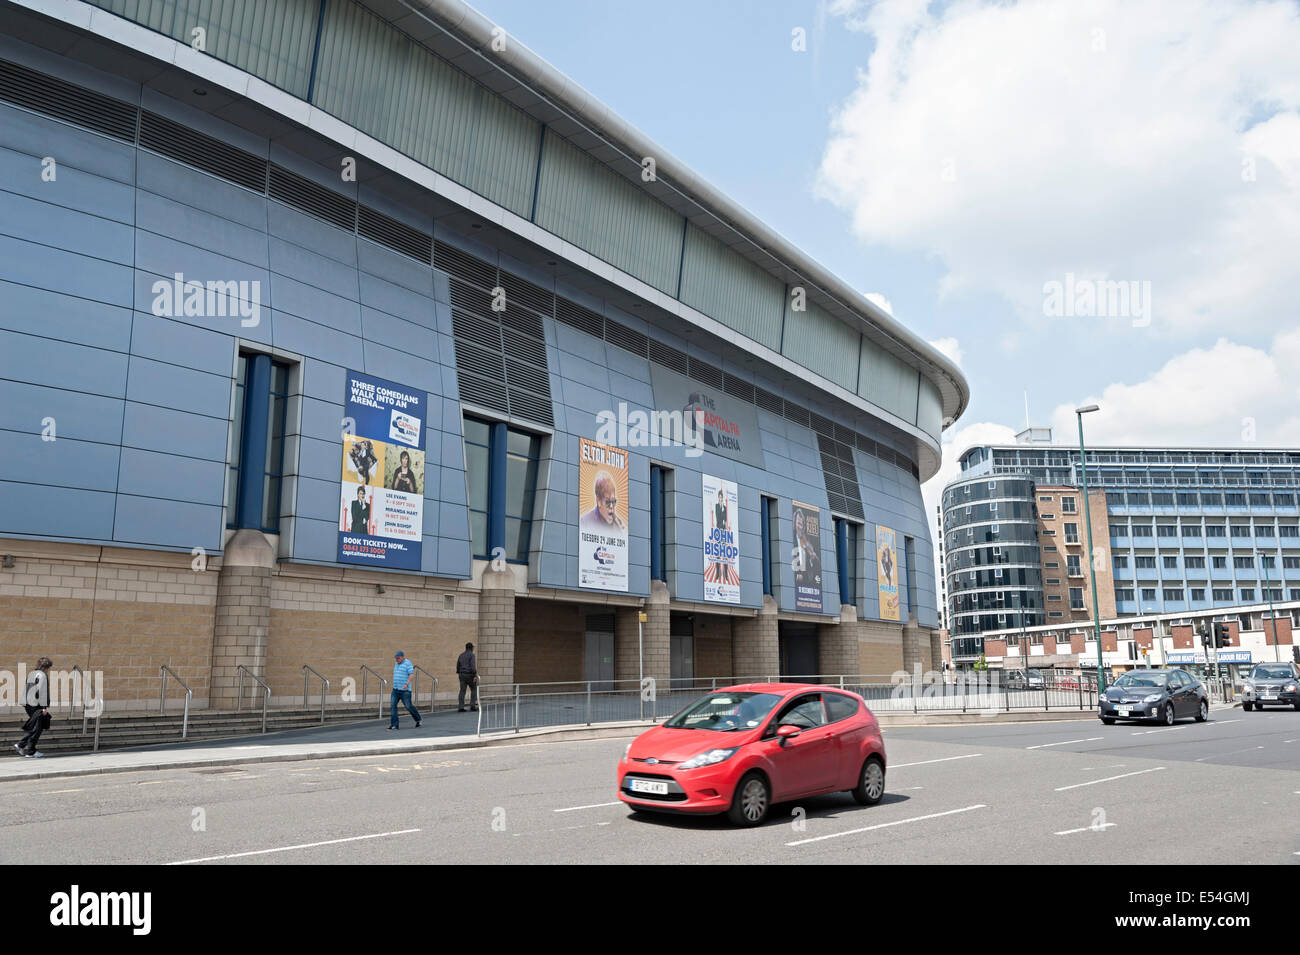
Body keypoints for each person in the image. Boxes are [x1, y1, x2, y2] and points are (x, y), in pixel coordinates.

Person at [15, 656, 52, 758]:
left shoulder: (32, 674)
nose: (49, 670)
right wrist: (44, 707)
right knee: (37, 728)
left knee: (37, 727)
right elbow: (42, 691)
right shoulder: (43, 675)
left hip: (28, 704)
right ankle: (25, 747)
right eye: (49, 668)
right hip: (37, 705)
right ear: (46, 667)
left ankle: (28, 749)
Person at [388, 651, 421, 730]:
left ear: (403, 657)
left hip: (405, 691)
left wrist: (406, 684)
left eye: (398, 658)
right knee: (393, 706)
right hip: (395, 690)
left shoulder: (408, 663)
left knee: (408, 706)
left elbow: (411, 674)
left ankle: (418, 719)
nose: (397, 660)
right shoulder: (396, 664)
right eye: (396, 658)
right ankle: (394, 725)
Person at [456, 642, 479, 712]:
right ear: (471, 648)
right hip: (470, 675)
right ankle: (472, 706)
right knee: (473, 689)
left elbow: (458, 665)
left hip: (462, 674)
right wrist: (475, 675)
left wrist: (459, 672)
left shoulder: (461, 655)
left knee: (462, 691)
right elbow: (472, 666)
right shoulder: (472, 655)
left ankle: (461, 707)